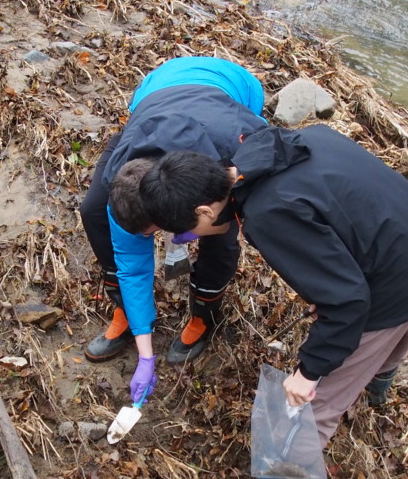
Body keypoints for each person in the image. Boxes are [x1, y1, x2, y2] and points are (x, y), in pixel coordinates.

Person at [114, 122, 408, 479]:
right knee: (385, 336)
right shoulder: (261, 150)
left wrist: (309, 373)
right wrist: (328, 280)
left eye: (185, 233)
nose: (189, 239)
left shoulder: (270, 214)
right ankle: (377, 385)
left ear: (204, 211)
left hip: (390, 287)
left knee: (308, 408)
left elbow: (349, 303)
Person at [78, 56, 270, 404]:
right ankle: (126, 312)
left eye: (152, 230)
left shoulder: (232, 144)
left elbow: (275, 154)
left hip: (230, 92)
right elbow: (133, 265)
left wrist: (200, 228)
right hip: (159, 89)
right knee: (92, 210)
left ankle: (203, 317)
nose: (148, 238)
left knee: (221, 235)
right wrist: (146, 355)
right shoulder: (123, 180)